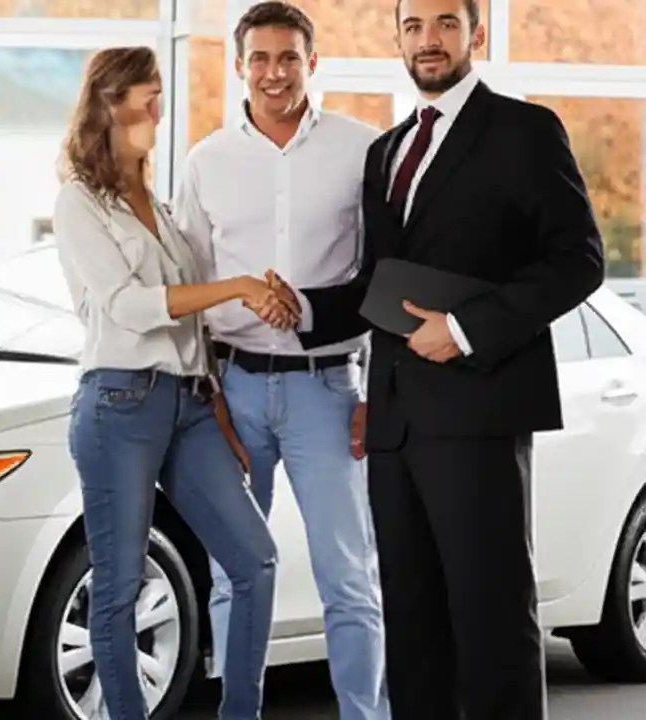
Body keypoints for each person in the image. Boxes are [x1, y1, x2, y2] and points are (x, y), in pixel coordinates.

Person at [281, 0, 605, 717]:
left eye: (445, 25)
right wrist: (302, 309)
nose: (429, 41)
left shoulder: (524, 132)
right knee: (413, 624)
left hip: (479, 409)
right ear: (397, 38)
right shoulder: (387, 151)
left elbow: (579, 262)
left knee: (492, 616)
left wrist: (465, 329)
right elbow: (378, 284)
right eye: (414, 27)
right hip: (396, 421)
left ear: (475, 34)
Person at [53, 46, 288, 720]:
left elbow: (194, 324)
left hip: (188, 405)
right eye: (147, 93)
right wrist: (238, 286)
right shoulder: (80, 203)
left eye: (158, 93)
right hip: (119, 405)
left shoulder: (155, 201)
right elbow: (130, 307)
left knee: (254, 561)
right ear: (110, 101)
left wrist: (218, 410)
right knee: (120, 588)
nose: (159, 106)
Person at [173, 4, 389, 719]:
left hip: (326, 389)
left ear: (312, 63)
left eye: (288, 58)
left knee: (349, 576)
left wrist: (374, 392)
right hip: (232, 388)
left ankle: (367, 713)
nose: (274, 73)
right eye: (259, 58)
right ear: (239, 66)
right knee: (236, 574)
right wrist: (204, 398)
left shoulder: (363, 150)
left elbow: (386, 280)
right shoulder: (206, 162)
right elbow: (190, 287)